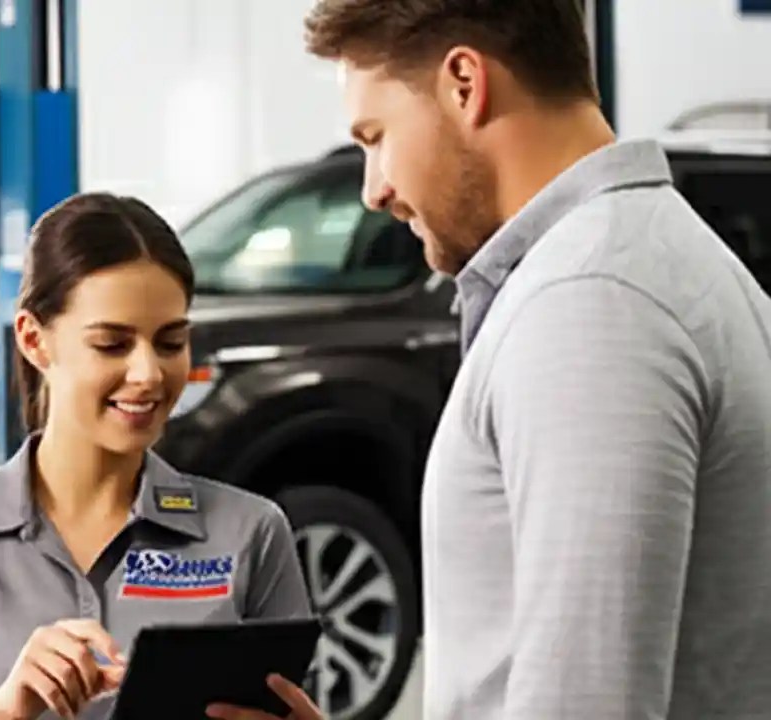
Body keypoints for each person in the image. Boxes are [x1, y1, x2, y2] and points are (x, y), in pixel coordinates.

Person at [212, 0, 771, 718]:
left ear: (465, 84)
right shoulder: (651, 262)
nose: (373, 188)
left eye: (375, 137)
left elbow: (586, 705)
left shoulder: (590, 300)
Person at [0, 192, 316, 720]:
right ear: (35, 342)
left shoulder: (251, 533)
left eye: (170, 343)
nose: (148, 373)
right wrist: (6, 709)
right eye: (111, 344)